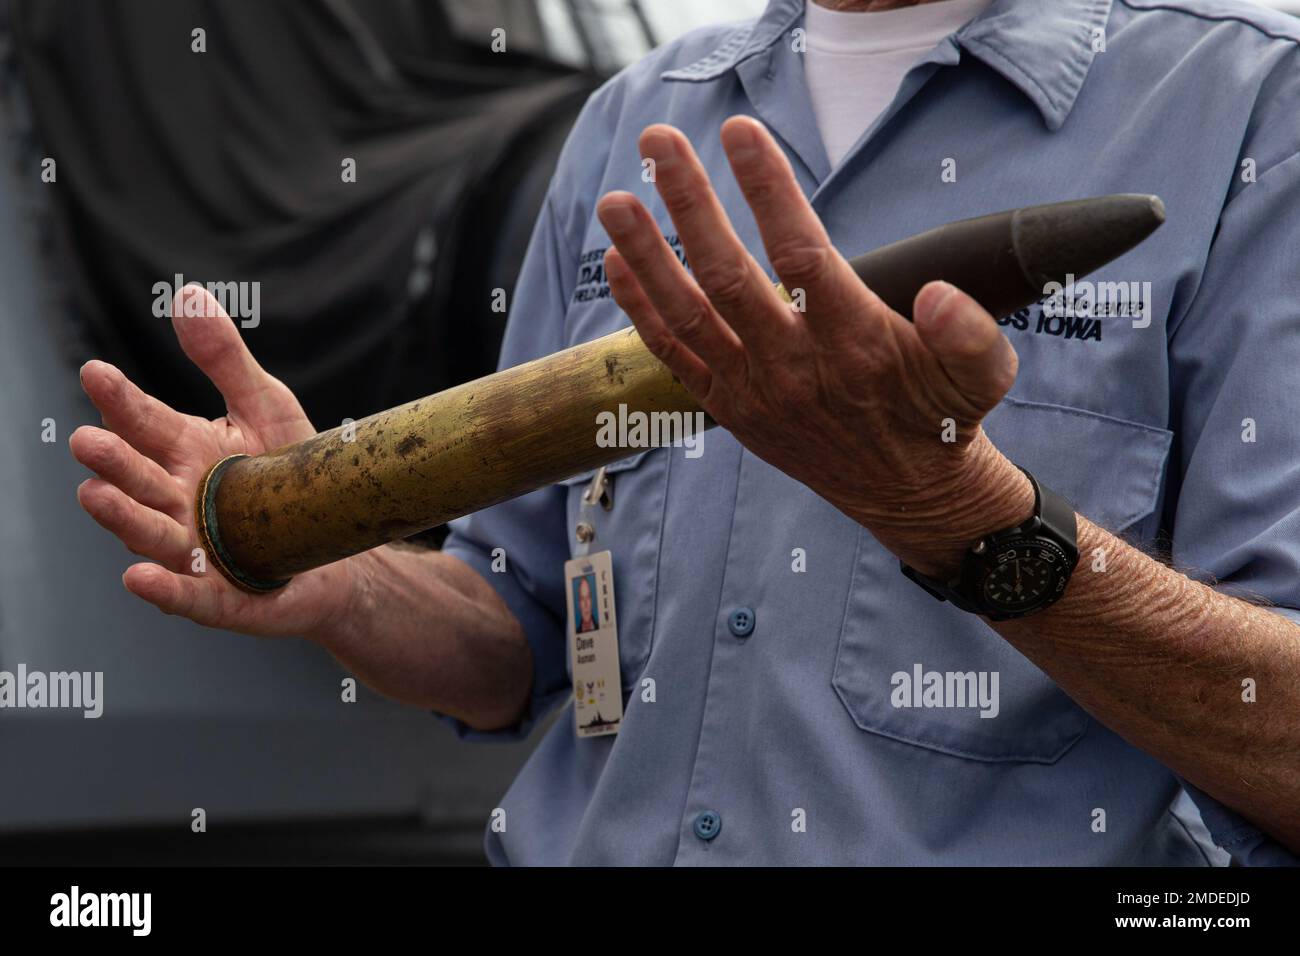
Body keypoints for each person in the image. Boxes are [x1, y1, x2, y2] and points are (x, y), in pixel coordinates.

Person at [71, 0, 1300, 865]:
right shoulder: (635, 118)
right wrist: (350, 584)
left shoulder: (1251, 115)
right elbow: (516, 632)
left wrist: (956, 516)